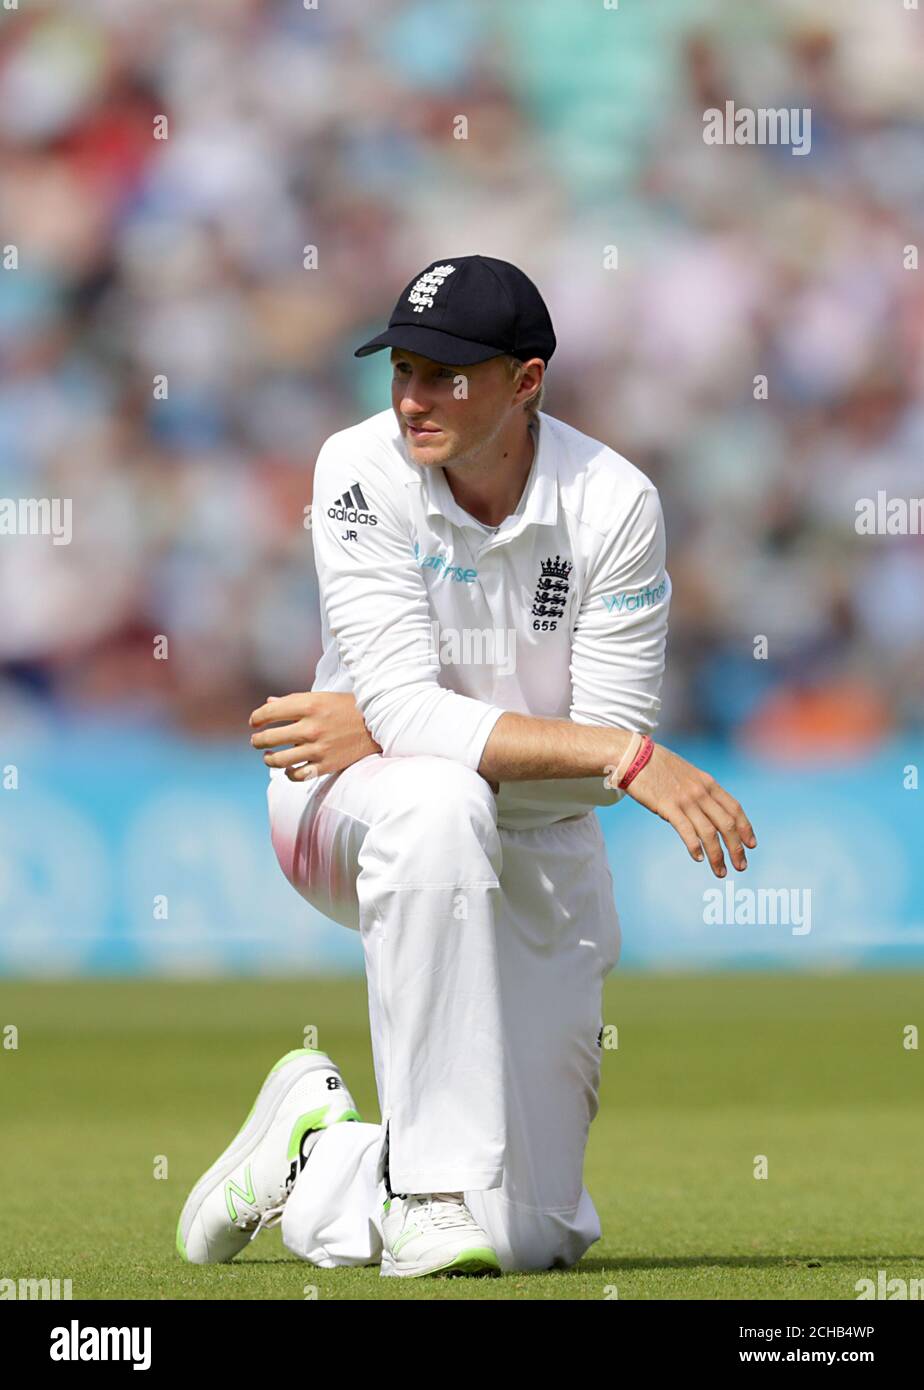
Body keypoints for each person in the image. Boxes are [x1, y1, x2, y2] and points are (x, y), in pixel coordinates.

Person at [176, 255, 756, 1278]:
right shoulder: (356, 469)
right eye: (403, 368)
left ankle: (317, 1151)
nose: (415, 398)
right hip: (340, 803)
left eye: (448, 375)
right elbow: (528, 737)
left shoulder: (613, 502)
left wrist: (423, 727)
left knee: (533, 1237)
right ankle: (429, 1188)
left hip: (538, 828)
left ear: (525, 382)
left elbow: (569, 765)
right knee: (438, 799)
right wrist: (613, 755)